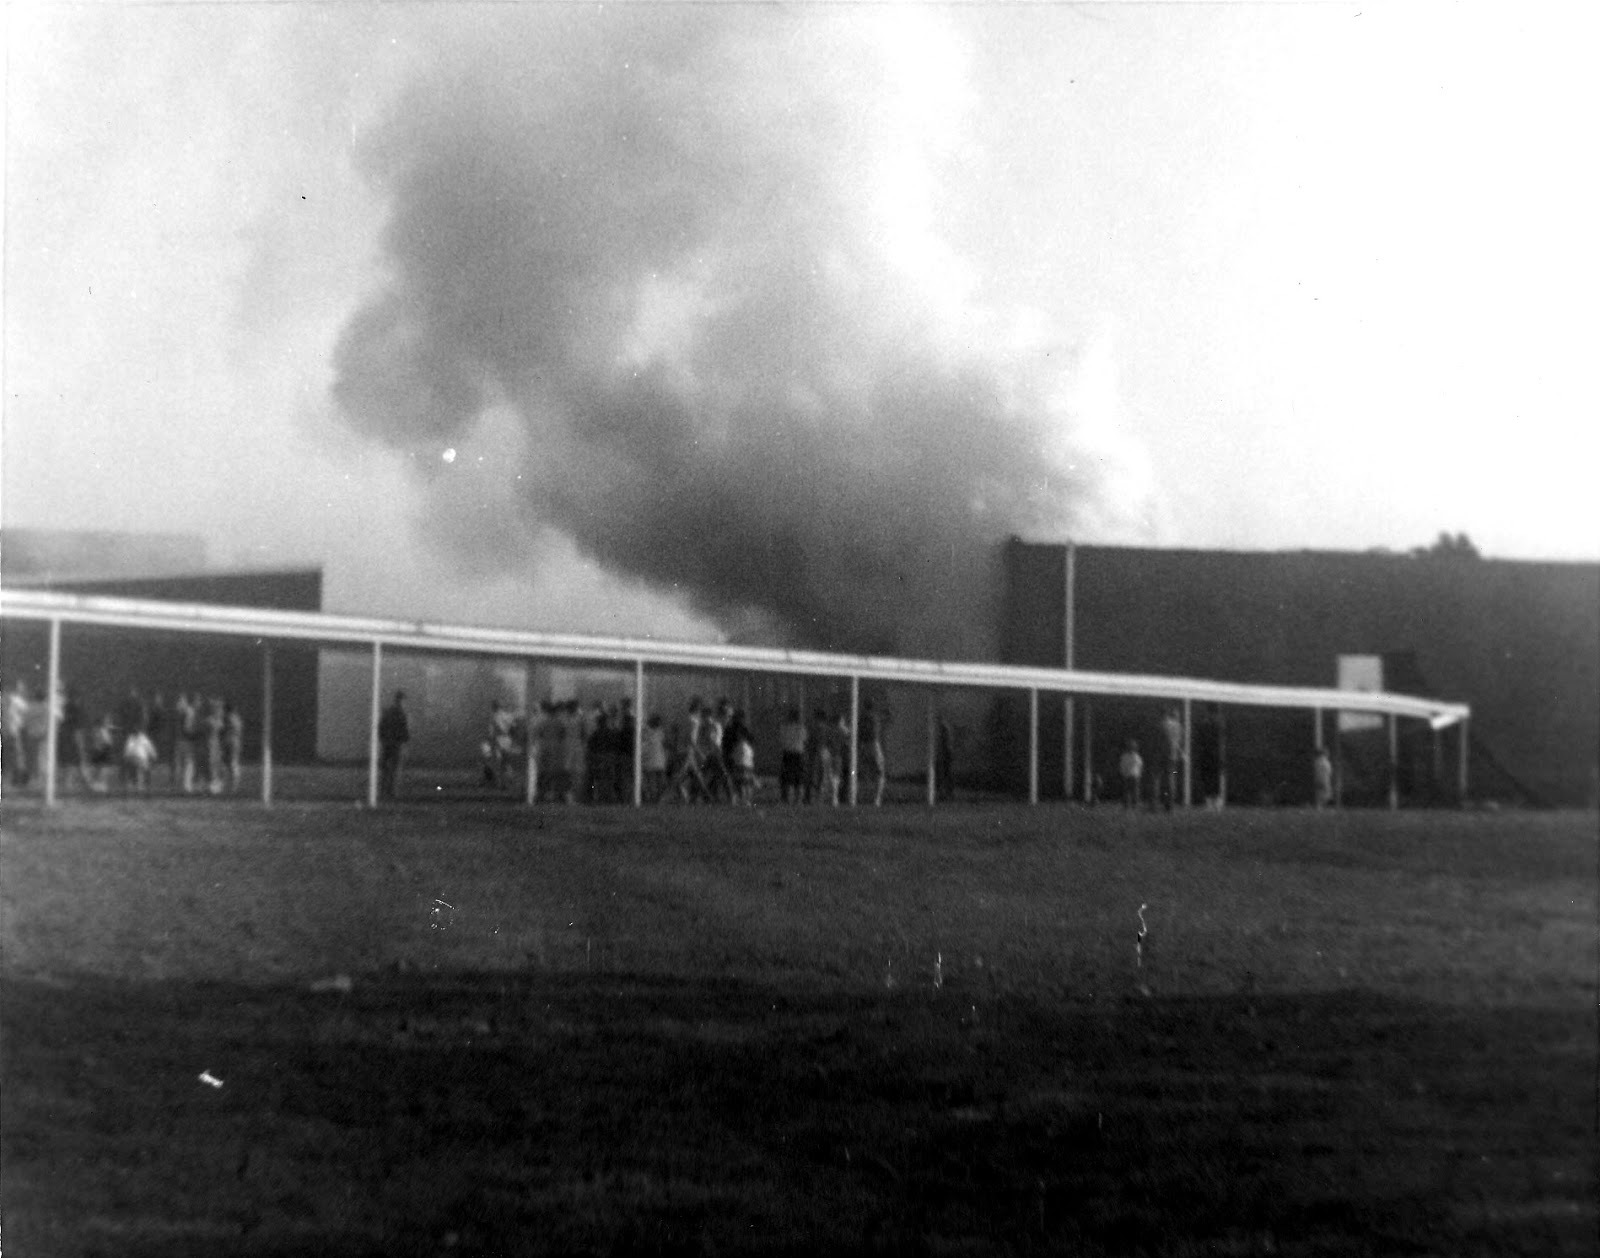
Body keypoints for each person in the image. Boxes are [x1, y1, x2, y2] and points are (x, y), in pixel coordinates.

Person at [378, 690, 410, 799]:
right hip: (396, 744)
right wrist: (405, 741)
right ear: (401, 700)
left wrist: (382, 739)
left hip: (387, 743)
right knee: (395, 769)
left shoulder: (388, 712)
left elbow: (381, 727)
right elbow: (404, 730)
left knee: (386, 769)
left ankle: (384, 790)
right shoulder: (401, 714)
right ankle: (391, 792)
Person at [859, 700, 887, 806]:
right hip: (873, 744)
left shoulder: (861, 718)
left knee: (866, 771)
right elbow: (876, 731)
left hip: (864, 745)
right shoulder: (874, 718)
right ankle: (877, 798)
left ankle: (867, 796)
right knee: (880, 772)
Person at [4, 678, 31, 788]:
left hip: (9, 730)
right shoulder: (16, 700)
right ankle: (19, 778)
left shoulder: (7, 699)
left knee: (12, 756)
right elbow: (27, 712)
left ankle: (14, 778)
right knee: (17, 755)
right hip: (15, 731)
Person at [778, 708, 808, 804]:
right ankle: (798, 799)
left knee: (787, 777)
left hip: (788, 754)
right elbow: (805, 740)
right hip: (799, 753)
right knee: (799, 778)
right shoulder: (801, 728)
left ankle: (787, 798)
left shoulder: (784, 727)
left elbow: (781, 740)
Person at [174, 692, 201, 794]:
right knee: (189, 764)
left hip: (179, 740)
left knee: (180, 764)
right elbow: (188, 728)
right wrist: (195, 735)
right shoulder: (189, 712)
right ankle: (186, 786)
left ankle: (179, 786)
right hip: (187, 741)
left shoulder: (178, 712)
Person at [1160, 707, 1184, 811]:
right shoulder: (1179, 727)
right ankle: (1171, 801)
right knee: (1173, 777)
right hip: (1174, 757)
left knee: (1166, 779)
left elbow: (1163, 731)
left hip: (1166, 755)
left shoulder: (1167, 724)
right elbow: (1179, 741)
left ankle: (1167, 801)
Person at [123, 725, 158, 794]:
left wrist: (154, 755)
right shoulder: (131, 739)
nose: (136, 733)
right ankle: (134, 786)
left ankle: (141, 786)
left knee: (142, 769)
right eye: (134, 732)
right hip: (133, 759)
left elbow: (149, 747)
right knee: (135, 769)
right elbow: (128, 750)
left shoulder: (143, 739)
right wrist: (127, 757)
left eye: (137, 732)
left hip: (142, 759)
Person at [642, 713, 668, 803]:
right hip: (650, 760)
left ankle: (657, 797)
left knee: (662, 782)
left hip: (659, 760)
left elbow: (663, 743)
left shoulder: (660, 732)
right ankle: (653, 798)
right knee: (653, 781)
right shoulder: (646, 731)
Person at [222, 702, 244, 793]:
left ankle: (233, 785)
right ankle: (232, 784)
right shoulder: (237, 718)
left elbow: (232, 730)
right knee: (231, 763)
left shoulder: (230, 718)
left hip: (231, 742)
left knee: (231, 763)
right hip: (234, 742)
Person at [1118, 740, 1144, 811]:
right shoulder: (1136, 757)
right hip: (1133, 776)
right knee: (1132, 791)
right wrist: (1139, 774)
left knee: (1129, 791)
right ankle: (1132, 805)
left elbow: (1122, 766)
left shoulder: (1126, 756)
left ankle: (1129, 805)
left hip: (1130, 775)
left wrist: (1123, 773)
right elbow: (1140, 766)